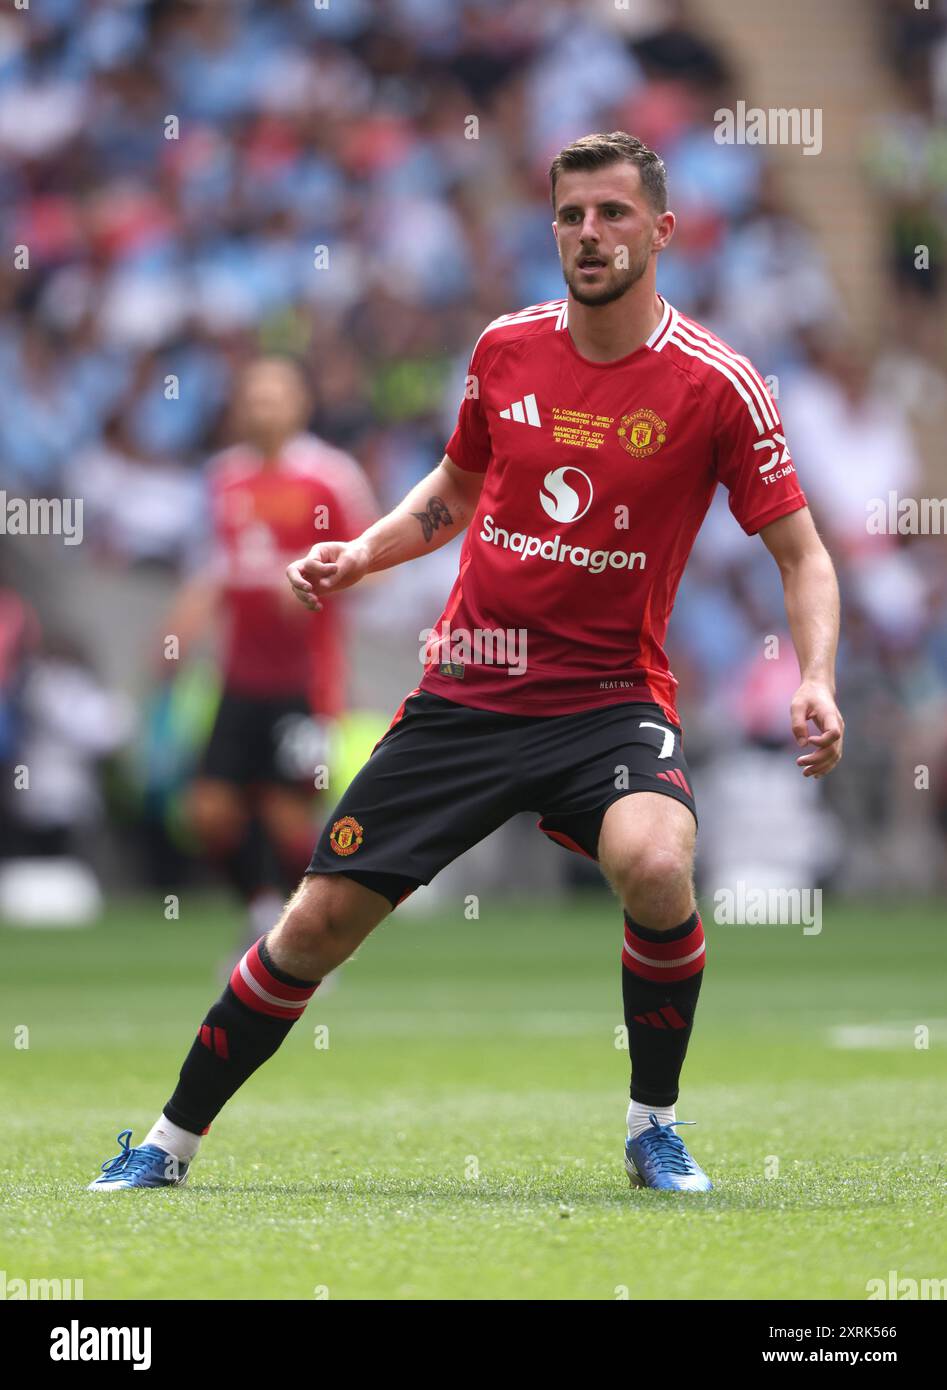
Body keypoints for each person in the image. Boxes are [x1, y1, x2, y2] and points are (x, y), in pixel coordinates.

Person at [89, 132, 843, 1194]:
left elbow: (801, 553)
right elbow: (451, 489)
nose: (589, 234)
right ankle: (165, 1144)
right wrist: (363, 550)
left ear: (661, 231)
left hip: (608, 703)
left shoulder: (718, 385)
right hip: (467, 694)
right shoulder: (504, 348)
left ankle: (651, 1126)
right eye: (572, 215)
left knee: (658, 863)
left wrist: (813, 675)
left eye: (613, 214)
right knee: (312, 925)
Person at [157, 356, 377, 953]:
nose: (262, 408)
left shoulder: (331, 477)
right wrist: (182, 625)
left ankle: (309, 938)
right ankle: (262, 915)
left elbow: (374, 565)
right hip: (238, 677)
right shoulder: (222, 479)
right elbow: (212, 566)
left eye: (274, 396)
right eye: (252, 397)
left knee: (286, 813)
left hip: (306, 678)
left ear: (300, 404)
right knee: (208, 811)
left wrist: (315, 580)